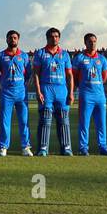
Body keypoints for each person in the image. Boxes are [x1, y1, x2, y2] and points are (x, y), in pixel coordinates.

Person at [32, 27, 74, 156]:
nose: (54, 38)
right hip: (46, 88)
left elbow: (70, 75)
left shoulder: (65, 54)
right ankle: (43, 148)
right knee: (45, 119)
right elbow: (36, 74)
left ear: (59, 38)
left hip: (61, 90)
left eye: (56, 36)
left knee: (64, 120)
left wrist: (71, 92)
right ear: (47, 38)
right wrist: (38, 91)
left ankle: (66, 148)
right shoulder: (40, 53)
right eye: (52, 36)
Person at [0, 30, 32, 156]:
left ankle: (25, 147)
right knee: (5, 120)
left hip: (21, 93)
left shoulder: (24, 56)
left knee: (24, 120)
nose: (12, 40)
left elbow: (29, 73)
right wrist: (3, 81)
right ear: (6, 39)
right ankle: (3, 147)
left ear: (18, 40)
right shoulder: (0, 56)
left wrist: (21, 83)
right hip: (6, 93)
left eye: (15, 38)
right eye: (10, 38)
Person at [72, 33, 107, 156]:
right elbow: (75, 77)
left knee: (101, 123)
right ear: (85, 43)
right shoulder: (79, 58)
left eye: (94, 41)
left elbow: (104, 77)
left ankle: (103, 147)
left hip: (100, 96)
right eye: (90, 41)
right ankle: (83, 147)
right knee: (84, 123)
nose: (92, 43)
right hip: (86, 95)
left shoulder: (102, 59)